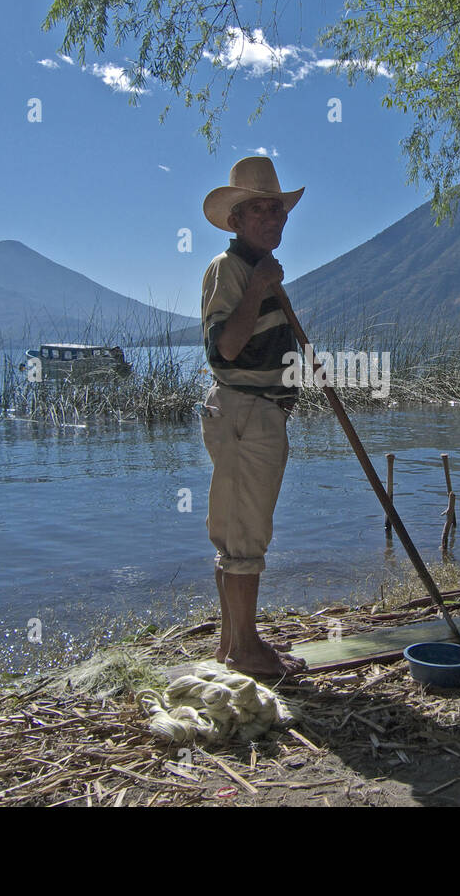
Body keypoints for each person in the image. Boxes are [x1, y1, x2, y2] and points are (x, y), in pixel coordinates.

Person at [199, 156, 308, 678]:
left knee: (237, 531)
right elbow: (225, 350)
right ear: (236, 219)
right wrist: (262, 285)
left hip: (259, 411)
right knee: (245, 536)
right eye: (260, 210)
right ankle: (246, 650)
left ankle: (231, 646)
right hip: (246, 413)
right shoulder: (233, 270)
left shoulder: (257, 268)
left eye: (278, 210)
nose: (273, 218)